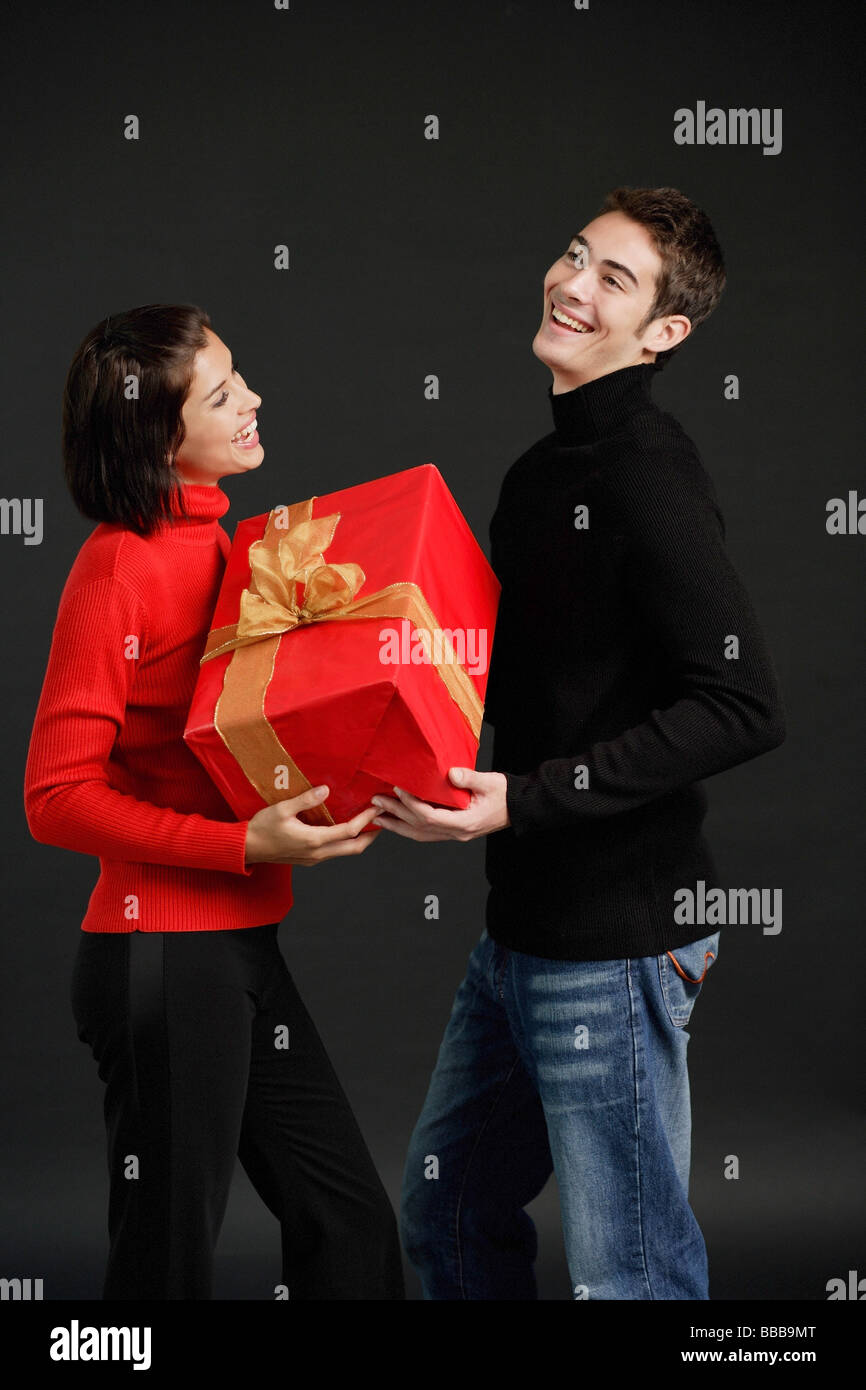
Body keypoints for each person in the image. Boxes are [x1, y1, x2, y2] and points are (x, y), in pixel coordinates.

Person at [371, 186, 786, 1300]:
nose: (571, 283)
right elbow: (528, 685)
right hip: (520, 935)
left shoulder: (645, 467)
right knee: (448, 1213)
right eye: (572, 255)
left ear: (664, 333)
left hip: (613, 943)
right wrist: (378, 693)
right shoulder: (537, 474)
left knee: (628, 1276)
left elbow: (741, 700)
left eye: (613, 277)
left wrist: (525, 799)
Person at [23, 305, 404, 1301]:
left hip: (235, 947)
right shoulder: (117, 566)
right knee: (163, 1264)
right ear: (159, 431)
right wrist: (241, 843)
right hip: (160, 957)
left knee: (349, 1222)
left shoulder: (240, 550)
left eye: (242, 380)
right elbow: (55, 798)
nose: (254, 401)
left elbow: (257, 730)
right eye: (224, 392)